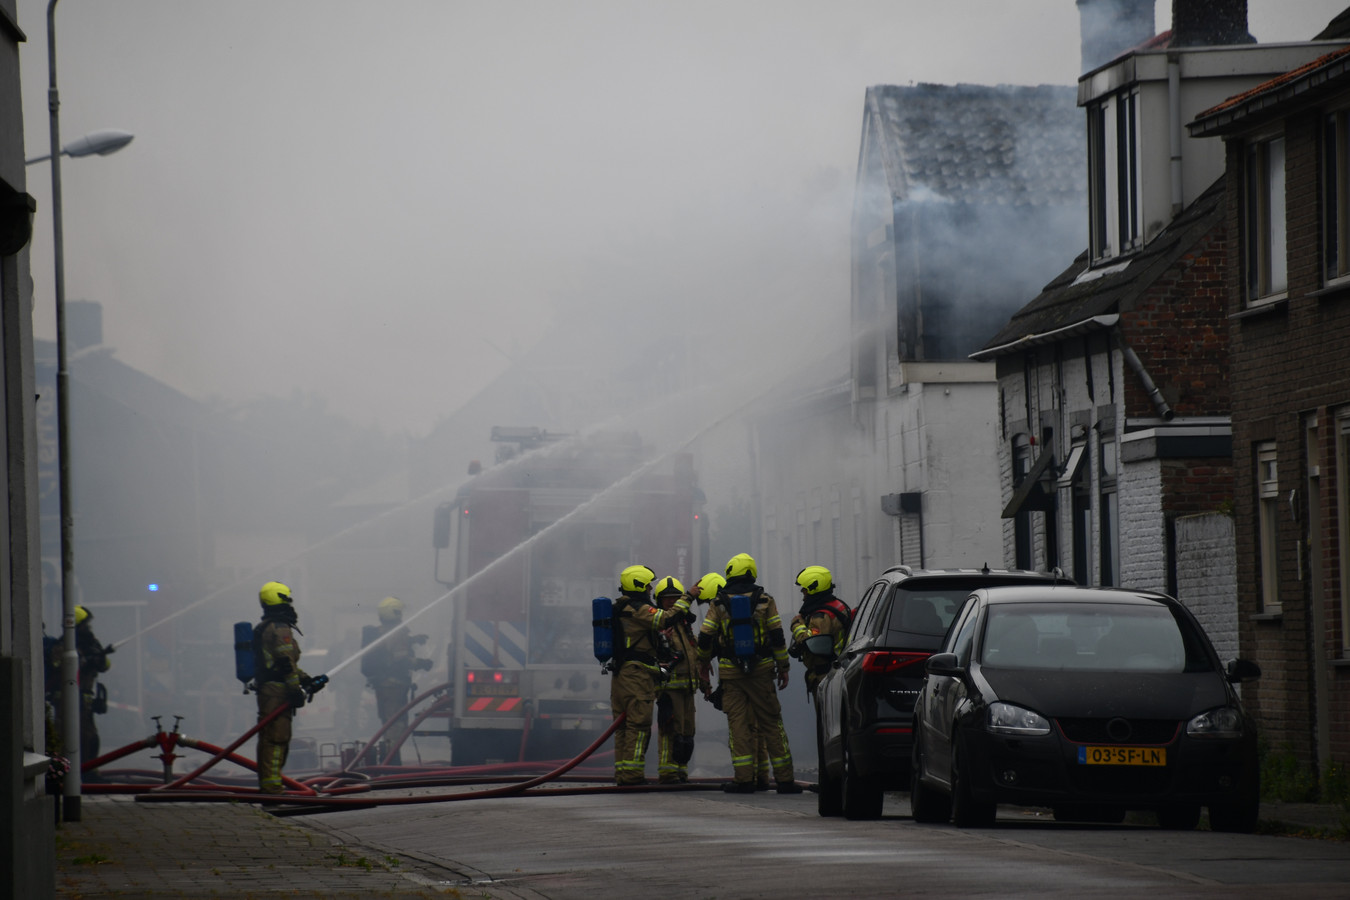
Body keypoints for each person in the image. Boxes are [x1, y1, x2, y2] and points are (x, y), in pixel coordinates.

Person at [697, 553, 801, 794]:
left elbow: (705, 636)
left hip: (731, 675)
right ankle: (785, 780)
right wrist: (783, 667)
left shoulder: (719, 603)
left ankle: (743, 780)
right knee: (772, 724)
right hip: (762, 671)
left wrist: (703, 662)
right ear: (752, 572)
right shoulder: (766, 600)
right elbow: (777, 636)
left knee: (738, 727)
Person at [609, 564, 692, 785]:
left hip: (622, 674)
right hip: (636, 674)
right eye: (647, 585)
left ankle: (623, 773)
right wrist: (688, 597)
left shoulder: (621, 608)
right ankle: (633, 775)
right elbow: (664, 619)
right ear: (639, 584)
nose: (649, 590)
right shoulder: (638, 608)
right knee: (638, 724)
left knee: (622, 727)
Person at [253, 581, 320, 793]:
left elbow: (281, 663)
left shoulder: (267, 626)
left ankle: (270, 784)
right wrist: (295, 689)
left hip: (268, 689)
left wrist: (306, 679)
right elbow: (285, 662)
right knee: (276, 738)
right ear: (280, 598)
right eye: (288, 598)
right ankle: (272, 788)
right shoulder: (280, 627)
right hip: (276, 692)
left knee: (269, 738)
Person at [362, 596, 432, 765]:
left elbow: (388, 651)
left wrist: (413, 640)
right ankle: (391, 760)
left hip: (383, 684)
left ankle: (389, 756)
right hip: (394, 685)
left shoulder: (381, 630)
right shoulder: (397, 632)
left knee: (388, 721)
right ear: (395, 612)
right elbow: (400, 658)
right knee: (396, 724)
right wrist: (421, 663)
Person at [652, 576, 707, 784]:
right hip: (669, 688)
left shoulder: (684, 625)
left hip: (687, 688)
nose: (672, 602)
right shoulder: (658, 622)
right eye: (667, 599)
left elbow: (692, 654)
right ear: (659, 601)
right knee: (669, 730)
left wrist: (703, 681)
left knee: (686, 731)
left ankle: (681, 770)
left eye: (676, 598)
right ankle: (667, 772)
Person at [788, 565, 852, 696]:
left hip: (826, 676)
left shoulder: (821, 617)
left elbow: (810, 642)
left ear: (813, 589)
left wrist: (796, 624)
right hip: (840, 671)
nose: (803, 597)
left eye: (804, 592)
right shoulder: (838, 605)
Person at [73, 606, 113, 769]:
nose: (88, 628)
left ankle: (89, 771)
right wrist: (86, 660)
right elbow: (62, 667)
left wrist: (100, 657)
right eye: (85, 625)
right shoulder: (66, 646)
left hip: (85, 702)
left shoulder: (91, 643)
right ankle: (82, 773)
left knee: (91, 738)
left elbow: (105, 666)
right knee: (79, 738)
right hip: (70, 703)